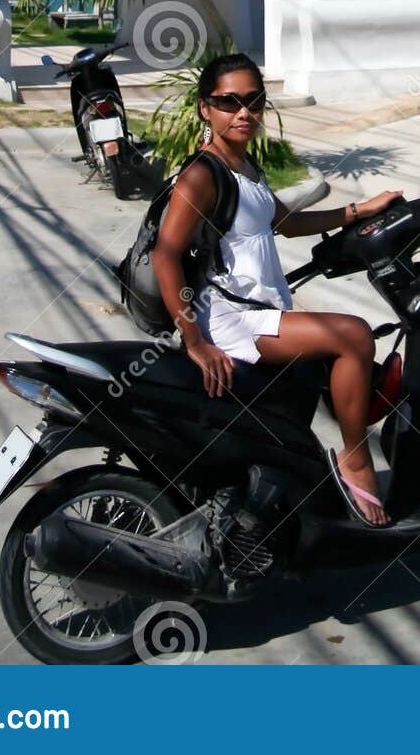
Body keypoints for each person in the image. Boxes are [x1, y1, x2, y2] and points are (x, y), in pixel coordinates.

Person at [152, 52, 403, 527]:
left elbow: (286, 223)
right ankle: (356, 459)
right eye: (228, 102)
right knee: (353, 335)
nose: (243, 112)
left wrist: (358, 211)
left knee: (334, 349)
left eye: (253, 101)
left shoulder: (245, 168)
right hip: (230, 322)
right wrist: (195, 341)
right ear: (205, 108)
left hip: (257, 311)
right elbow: (165, 255)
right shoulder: (202, 175)